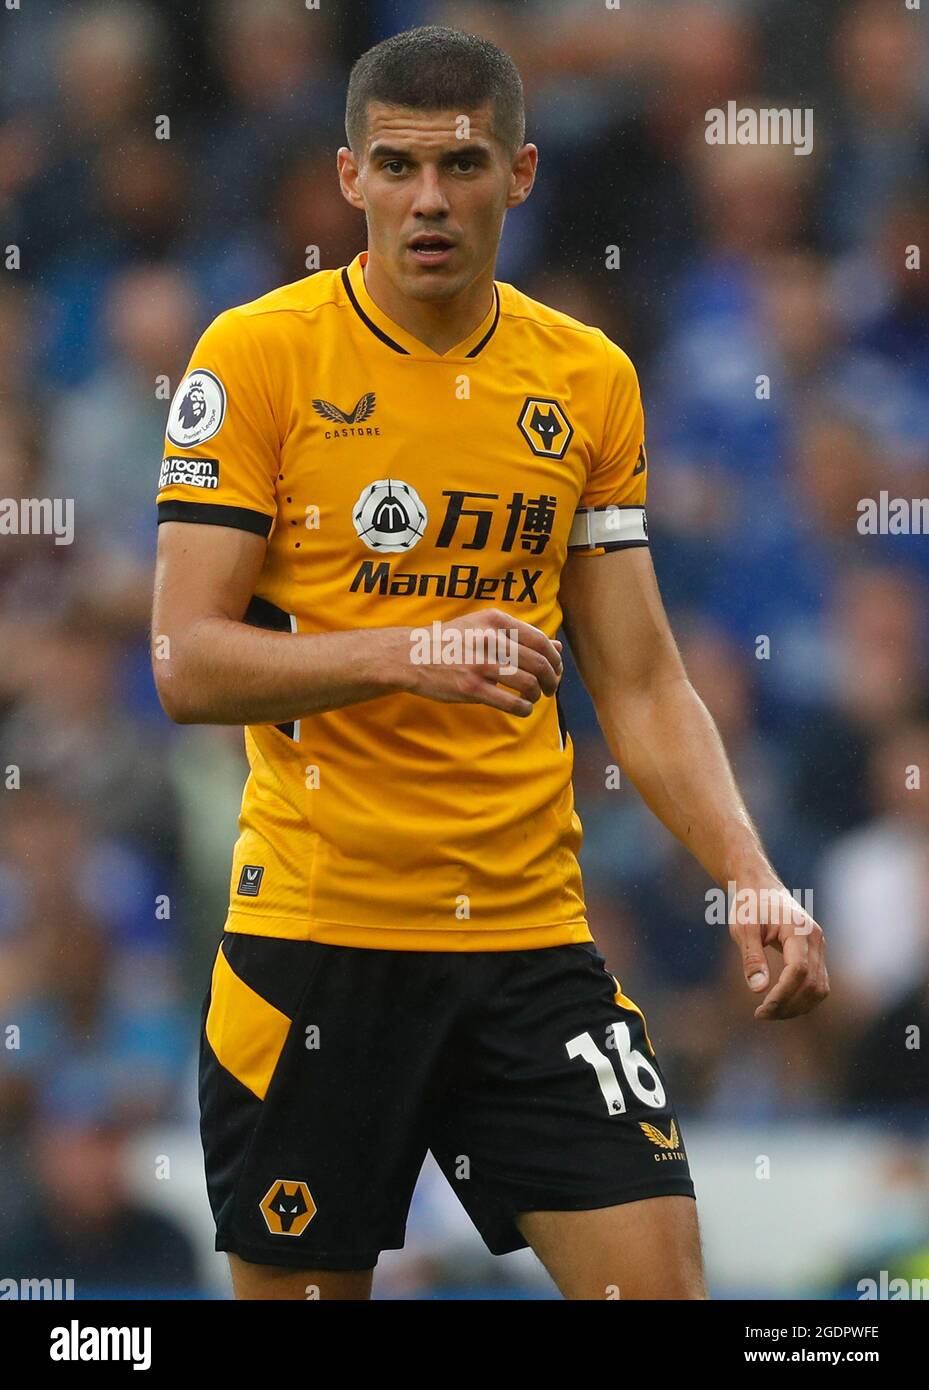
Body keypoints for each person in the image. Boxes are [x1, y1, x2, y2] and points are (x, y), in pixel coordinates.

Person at [151, 24, 829, 1301]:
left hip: (527, 945)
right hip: (316, 943)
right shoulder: (255, 359)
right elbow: (186, 662)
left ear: (518, 174)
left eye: (461, 165)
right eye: (396, 167)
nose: (427, 200)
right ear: (347, 179)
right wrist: (407, 651)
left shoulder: (584, 379)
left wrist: (748, 874)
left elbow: (637, 679)